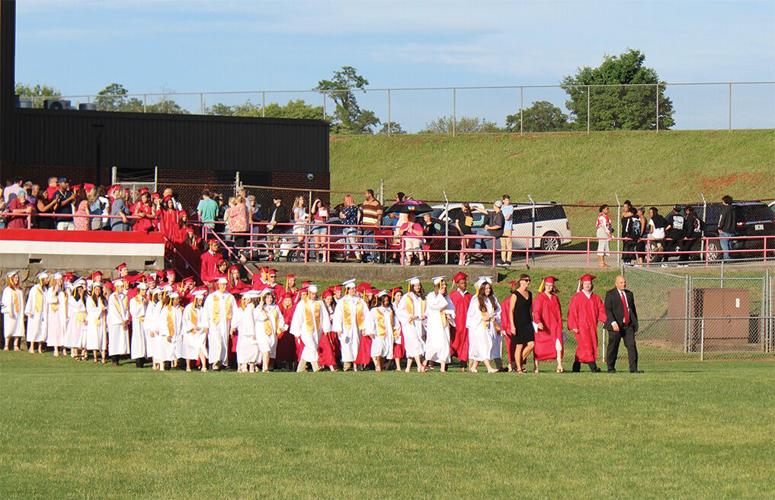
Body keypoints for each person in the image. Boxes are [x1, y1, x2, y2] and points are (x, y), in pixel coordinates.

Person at [567, 274, 606, 373]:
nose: (587, 285)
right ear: (582, 285)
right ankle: (593, 367)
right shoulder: (577, 297)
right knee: (586, 345)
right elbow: (572, 311)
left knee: (585, 346)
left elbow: (601, 310)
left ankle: (576, 367)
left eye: (589, 284)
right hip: (581, 326)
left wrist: (606, 321)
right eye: (585, 284)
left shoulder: (595, 298)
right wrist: (573, 326)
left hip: (592, 326)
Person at [604, 275, 641, 373]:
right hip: (615, 326)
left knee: (631, 345)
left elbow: (632, 309)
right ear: (616, 284)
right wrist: (613, 322)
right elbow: (608, 310)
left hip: (628, 326)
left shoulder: (629, 294)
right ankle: (610, 367)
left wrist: (635, 324)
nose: (623, 284)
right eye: (621, 282)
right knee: (613, 346)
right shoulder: (610, 294)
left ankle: (633, 369)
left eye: (624, 282)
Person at [290, 284, 330, 372]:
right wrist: (296, 332)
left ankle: (300, 369)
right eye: (312, 294)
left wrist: (326, 328)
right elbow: (297, 318)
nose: (314, 296)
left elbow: (325, 315)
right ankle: (316, 367)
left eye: (315, 294)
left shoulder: (319, 303)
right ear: (308, 293)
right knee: (311, 346)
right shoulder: (302, 304)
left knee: (310, 348)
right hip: (305, 330)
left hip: (317, 329)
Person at [466, 277, 502, 374]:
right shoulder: (476, 299)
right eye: (486, 288)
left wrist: (495, 318)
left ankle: (473, 367)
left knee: (487, 345)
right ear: (481, 289)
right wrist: (481, 318)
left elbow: (498, 310)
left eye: (489, 288)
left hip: (490, 326)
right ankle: (489, 368)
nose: (488, 290)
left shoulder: (492, 298)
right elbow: (472, 314)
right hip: (479, 326)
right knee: (484, 346)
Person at [331, 279, 368, 371]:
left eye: (354, 289)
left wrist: (364, 327)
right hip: (345, 329)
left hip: (357, 328)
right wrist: (338, 328)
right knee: (346, 344)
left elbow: (365, 314)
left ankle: (356, 364)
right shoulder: (342, 302)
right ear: (347, 290)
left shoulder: (360, 301)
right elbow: (338, 316)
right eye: (351, 289)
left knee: (356, 344)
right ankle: (347, 364)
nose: (353, 291)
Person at [532, 276, 564, 373]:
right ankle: (536, 366)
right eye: (547, 285)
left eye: (551, 285)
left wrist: (560, 324)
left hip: (555, 326)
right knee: (539, 346)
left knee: (558, 345)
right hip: (544, 325)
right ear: (544, 286)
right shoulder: (540, 297)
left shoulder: (555, 298)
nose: (549, 287)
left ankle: (559, 365)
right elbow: (536, 311)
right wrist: (538, 322)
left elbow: (559, 312)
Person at [396, 277, 427, 372]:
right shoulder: (407, 297)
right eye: (415, 285)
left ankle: (408, 368)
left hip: (418, 323)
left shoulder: (421, 297)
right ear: (412, 286)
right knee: (415, 343)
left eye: (418, 285)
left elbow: (425, 310)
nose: (417, 287)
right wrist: (410, 316)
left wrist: (421, 316)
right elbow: (400, 311)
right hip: (409, 323)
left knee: (412, 346)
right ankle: (419, 366)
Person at [424, 276, 455, 372]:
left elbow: (451, 308)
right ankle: (424, 364)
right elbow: (435, 307)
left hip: (444, 324)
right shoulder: (431, 296)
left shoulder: (447, 297)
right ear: (437, 287)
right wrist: (440, 296)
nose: (445, 287)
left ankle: (442, 368)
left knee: (444, 344)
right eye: (442, 285)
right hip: (434, 324)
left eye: (445, 285)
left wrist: (449, 313)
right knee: (433, 345)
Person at [255, 289, 286, 372]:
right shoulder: (260, 308)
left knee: (270, 350)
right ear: (264, 298)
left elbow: (280, 318)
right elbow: (255, 317)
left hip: (272, 332)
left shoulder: (275, 307)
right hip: (262, 332)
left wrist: (281, 327)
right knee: (266, 349)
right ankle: (265, 368)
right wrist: (260, 307)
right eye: (267, 297)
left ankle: (264, 366)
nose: (270, 299)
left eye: (271, 297)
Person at [509, 274, 534, 374]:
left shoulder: (530, 294)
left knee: (532, 344)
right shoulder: (515, 294)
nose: (528, 282)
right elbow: (511, 310)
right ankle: (519, 368)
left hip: (528, 322)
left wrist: (533, 321)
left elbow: (530, 309)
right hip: (518, 323)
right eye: (526, 280)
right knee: (519, 346)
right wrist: (512, 325)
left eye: (529, 280)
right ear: (521, 281)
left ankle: (516, 363)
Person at [367, 291, 398, 371]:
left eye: (387, 300)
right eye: (385, 301)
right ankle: (378, 366)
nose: (386, 302)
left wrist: (395, 331)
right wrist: (371, 331)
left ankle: (380, 365)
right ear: (381, 301)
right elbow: (371, 321)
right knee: (379, 349)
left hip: (389, 333)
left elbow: (394, 321)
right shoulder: (375, 310)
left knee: (386, 350)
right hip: (378, 333)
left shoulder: (390, 310)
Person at [448, 272, 472, 370]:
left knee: (466, 342)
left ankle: (463, 362)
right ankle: (449, 358)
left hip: (466, 324)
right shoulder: (453, 295)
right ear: (457, 284)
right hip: (456, 323)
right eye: (461, 283)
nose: (464, 285)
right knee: (454, 341)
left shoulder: (469, 296)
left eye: (465, 283)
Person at [182, 289, 208, 372]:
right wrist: (192, 327)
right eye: (199, 300)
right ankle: (188, 366)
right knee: (189, 348)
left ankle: (204, 366)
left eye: (202, 300)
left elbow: (205, 320)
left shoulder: (202, 309)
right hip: (190, 332)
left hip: (199, 332)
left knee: (201, 347)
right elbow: (186, 320)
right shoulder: (189, 308)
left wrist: (202, 327)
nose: (201, 302)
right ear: (196, 300)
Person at [106, 279, 130, 366]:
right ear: (117, 287)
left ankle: (118, 359)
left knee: (120, 341)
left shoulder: (124, 297)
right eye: (121, 287)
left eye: (123, 286)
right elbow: (114, 311)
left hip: (123, 322)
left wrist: (126, 319)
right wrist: (121, 321)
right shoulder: (113, 297)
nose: (122, 288)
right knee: (114, 340)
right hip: (115, 322)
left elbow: (127, 309)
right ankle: (114, 359)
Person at [235, 291, 260, 373]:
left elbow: (252, 320)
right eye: (246, 299)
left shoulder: (251, 307)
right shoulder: (243, 309)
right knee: (245, 348)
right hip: (245, 331)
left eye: (249, 299)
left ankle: (252, 365)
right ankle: (244, 365)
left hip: (251, 331)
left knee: (253, 348)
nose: (248, 301)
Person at [25, 271, 49, 353]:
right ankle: (31, 346)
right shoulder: (34, 289)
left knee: (42, 329)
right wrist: (29, 310)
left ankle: (39, 347)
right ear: (42, 279)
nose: (47, 280)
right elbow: (31, 300)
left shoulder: (45, 289)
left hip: (43, 313)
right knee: (34, 328)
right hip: (35, 313)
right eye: (46, 278)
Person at [2, 270, 26, 351]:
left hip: (18, 312)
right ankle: (6, 345)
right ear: (11, 279)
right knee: (9, 328)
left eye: (17, 278)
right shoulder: (7, 290)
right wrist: (9, 311)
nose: (16, 279)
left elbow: (22, 302)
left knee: (18, 328)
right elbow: (4, 302)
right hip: (10, 312)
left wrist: (22, 312)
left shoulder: (19, 290)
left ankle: (16, 345)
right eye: (15, 277)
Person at [45, 273, 67, 357]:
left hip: (62, 312)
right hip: (54, 313)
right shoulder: (51, 289)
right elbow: (49, 300)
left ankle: (64, 347)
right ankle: (56, 349)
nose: (60, 281)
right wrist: (55, 291)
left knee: (63, 329)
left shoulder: (63, 291)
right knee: (55, 330)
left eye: (61, 279)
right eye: (58, 280)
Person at [65, 279, 87, 360]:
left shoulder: (85, 298)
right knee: (75, 335)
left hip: (83, 318)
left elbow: (85, 308)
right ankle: (74, 352)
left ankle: (83, 352)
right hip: (75, 319)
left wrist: (82, 298)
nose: (81, 292)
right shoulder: (72, 298)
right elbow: (77, 307)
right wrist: (81, 298)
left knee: (82, 335)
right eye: (79, 290)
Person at [85, 282, 107, 363]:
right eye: (96, 289)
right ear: (93, 290)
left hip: (101, 320)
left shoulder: (102, 299)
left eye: (99, 289)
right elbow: (90, 310)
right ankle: (95, 357)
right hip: (93, 321)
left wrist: (103, 309)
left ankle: (103, 357)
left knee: (102, 337)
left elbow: (106, 308)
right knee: (94, 338)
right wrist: (100, 309)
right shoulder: (90, 299)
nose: (98, 290)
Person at [129, 282, 149, 367]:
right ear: (139, 290)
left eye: (145, 290)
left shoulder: (145, 300)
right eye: (142, 290)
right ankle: (138, 360)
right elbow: (133, 312)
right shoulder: (134, 300)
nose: (144, 291)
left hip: (144, 321)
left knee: (144, 340)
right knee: (138, 340)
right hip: (137, 322)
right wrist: (141, 305)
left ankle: (144, 358)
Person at [360, 189, 383, 263]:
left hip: (372, 225)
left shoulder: (376, 203)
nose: (365, 195)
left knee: (371, 242)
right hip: (365, 225)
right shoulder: (364, 202)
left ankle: (373, 257)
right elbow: (361, 211)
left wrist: (377, 222)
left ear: (370, 194)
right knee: (365, 243)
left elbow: (379, 214)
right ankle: (368, 257)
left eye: (365, 194)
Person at [338, 194, 360, 261]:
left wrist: (342, 215)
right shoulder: (345, 208)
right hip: (345, 226)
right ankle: (346, 256)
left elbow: (346, 215)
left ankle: (358, 256)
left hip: (351, 226)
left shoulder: (354, 207)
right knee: (346, 243)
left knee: (352, 242)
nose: (347, 201)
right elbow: (340, 215)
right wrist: (342, 215)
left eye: (348, 199)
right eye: (346, 200)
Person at [310, 198, 330, 263]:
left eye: (319, 202)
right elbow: (312, 211)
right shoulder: (315, 209)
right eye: (317, 203)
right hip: (316, 225)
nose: (319, 204)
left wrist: (326, 215)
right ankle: (317, 258)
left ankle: (324, 257)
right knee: (316, 242)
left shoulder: (324, 208)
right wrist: (315, 202)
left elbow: (327, 218)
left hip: (323, 225)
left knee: (323, 242)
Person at [718, 195, 735, 261]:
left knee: (724, 244)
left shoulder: (724, 210)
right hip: (732, 230)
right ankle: (729, 256)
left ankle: (726, 258)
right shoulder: (733, 210)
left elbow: (722, 219)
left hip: (724, 230)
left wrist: (719, 228)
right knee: (729, 244)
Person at [595, 204, 613, 268]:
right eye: (606, 209)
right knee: (601, 246)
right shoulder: (601, 216)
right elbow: (604, 226)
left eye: (608, 209)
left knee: (604, 246)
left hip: (604, 232)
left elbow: (608, 225)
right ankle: (601, 263)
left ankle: (602, 262)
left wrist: (610, 230)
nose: (608, 210)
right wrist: (609, 234)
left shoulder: (605, 216)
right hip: (602, 231)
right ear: (603, 209)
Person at [500, 194, 514, 265]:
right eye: (506, 200)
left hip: (508, 228)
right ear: (503, 200)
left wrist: (503, 217)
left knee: (509, 244)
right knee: (503, 245)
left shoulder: (510, 207)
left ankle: (508, 260)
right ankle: (503, 260)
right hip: (502, 228)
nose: (507, 201)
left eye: (508, 200)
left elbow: (507, 217)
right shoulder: (501, 207)